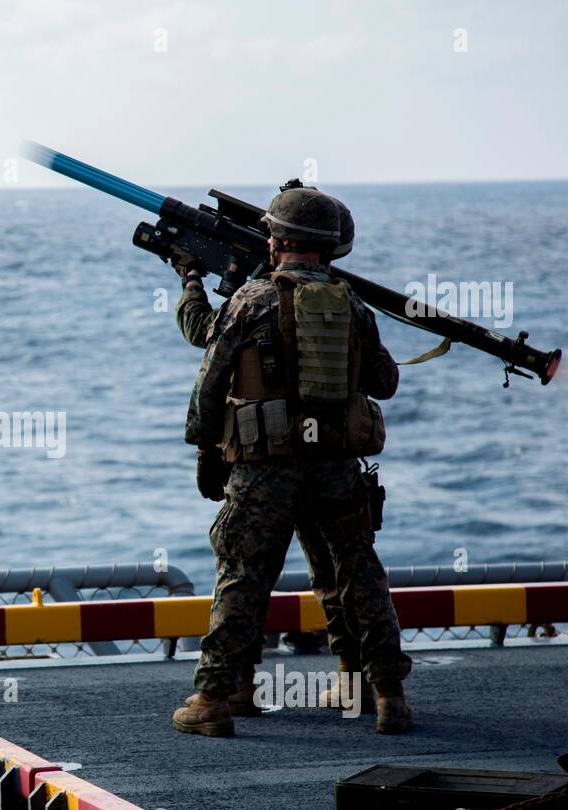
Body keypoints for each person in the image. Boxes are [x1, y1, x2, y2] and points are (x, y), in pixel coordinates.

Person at [170, 182, 412, 736]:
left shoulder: (251, 300)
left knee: (243, 575)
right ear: (328, 247)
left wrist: (204, 447)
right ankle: (388, 696)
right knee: (357, 572)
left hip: (265, 467)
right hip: (335, 466)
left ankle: (216, 698)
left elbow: (209, 383)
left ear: (276, 240)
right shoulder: (351, 303)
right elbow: (386, 381)